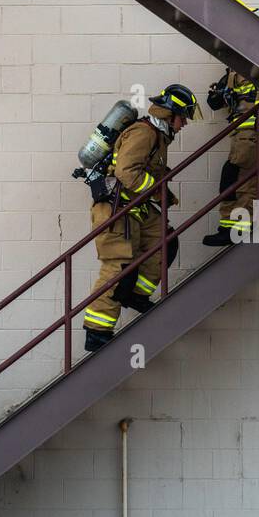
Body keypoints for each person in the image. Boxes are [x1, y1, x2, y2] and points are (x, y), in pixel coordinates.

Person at [82, 85, 200, 352]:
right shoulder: (144, 133)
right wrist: (156, 191)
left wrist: (161, 193)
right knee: (118, 268)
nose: (185, 125)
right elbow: (126, 171)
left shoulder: (158, 136)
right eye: (184, 118)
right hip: (116, 210)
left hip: (136, 208)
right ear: (172, 114)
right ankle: (96, 330)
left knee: (165, 242)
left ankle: (136, 295)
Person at [202, 53, 259, 247]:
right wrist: (217, 95)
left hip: (251, 134)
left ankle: (237, 228)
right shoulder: (236, 70)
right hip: (251, 134)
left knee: (243, 180)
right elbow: (224, 99)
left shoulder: (257, 65)